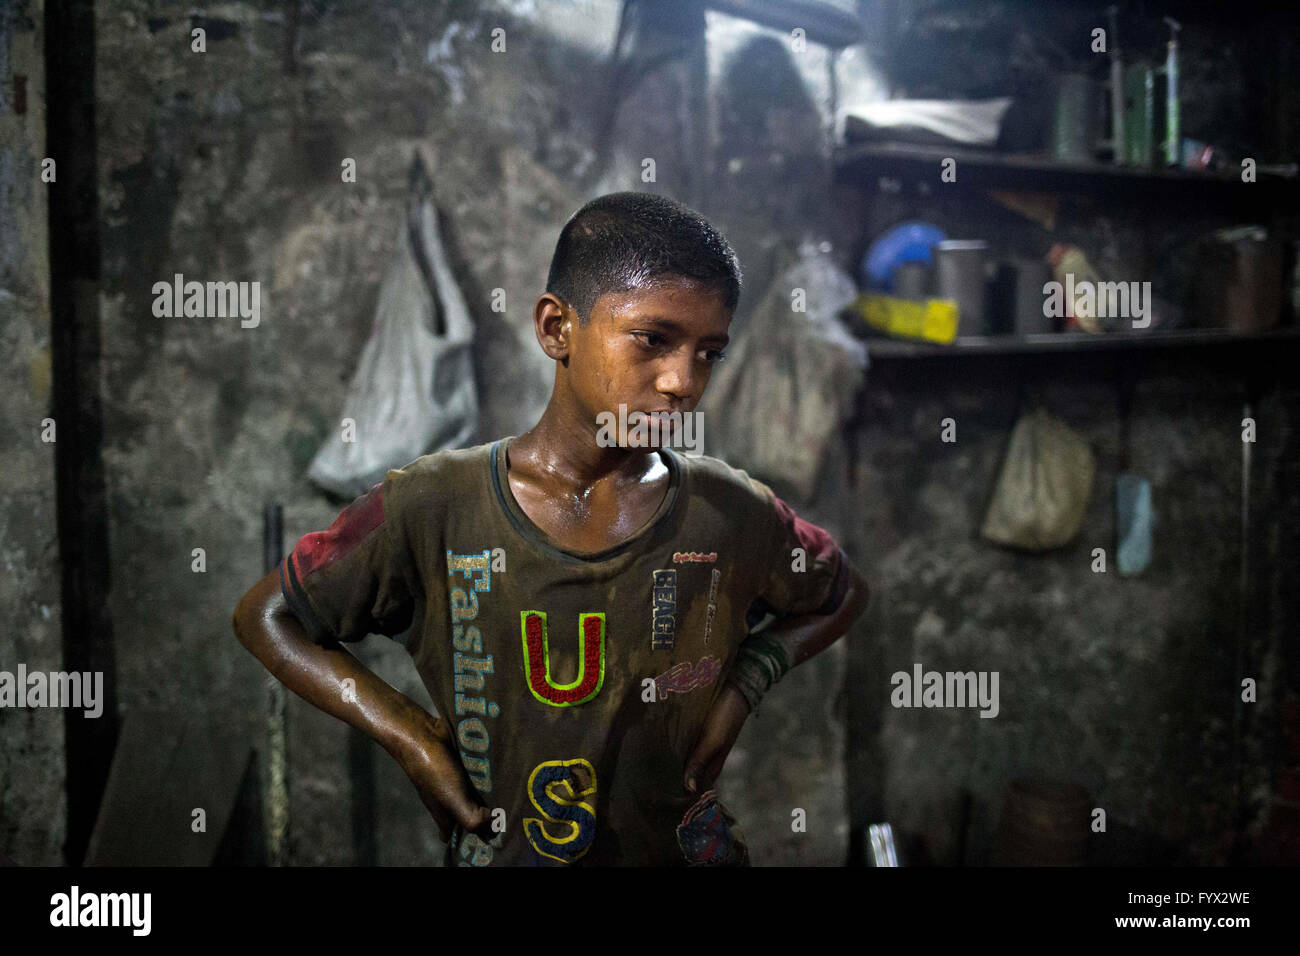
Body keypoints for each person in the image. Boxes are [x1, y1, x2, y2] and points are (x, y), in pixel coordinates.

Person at [232, 191, 870, 866]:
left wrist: (746, 684)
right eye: (653, 340)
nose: (684, 380)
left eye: (709, 352)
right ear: (556, 328)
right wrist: (410, 737)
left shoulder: (729, 511)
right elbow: (267, 615)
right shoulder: (435, 503)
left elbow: (841, 593)